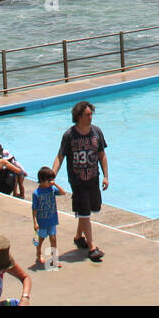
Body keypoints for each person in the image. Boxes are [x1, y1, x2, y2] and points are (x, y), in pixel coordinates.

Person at [51, 100, 109, 263]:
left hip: (93, 177)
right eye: (87, 115)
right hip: (77, 179)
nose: (90, 117)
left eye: (91, 114)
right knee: (84, 211)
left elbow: (101, 155)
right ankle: (92, 247)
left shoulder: (97, 132)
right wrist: (53, 173)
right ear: (78, 116)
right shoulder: (69, 135)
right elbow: (60, 156)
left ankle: (78, 237)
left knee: (90, 209)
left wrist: (105, 176)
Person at [31, 167, 66, 268]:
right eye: (49, 180)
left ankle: (54, 259)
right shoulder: (36, 193)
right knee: (41, 239)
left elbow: (63, 192)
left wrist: (54, 184)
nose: (51, 182)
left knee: (53, 238)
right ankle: (38, 254)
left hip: (52, 219)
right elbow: (34, 209)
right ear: (42, 180)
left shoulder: (52, 189)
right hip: (42, 221)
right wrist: (35, 222)